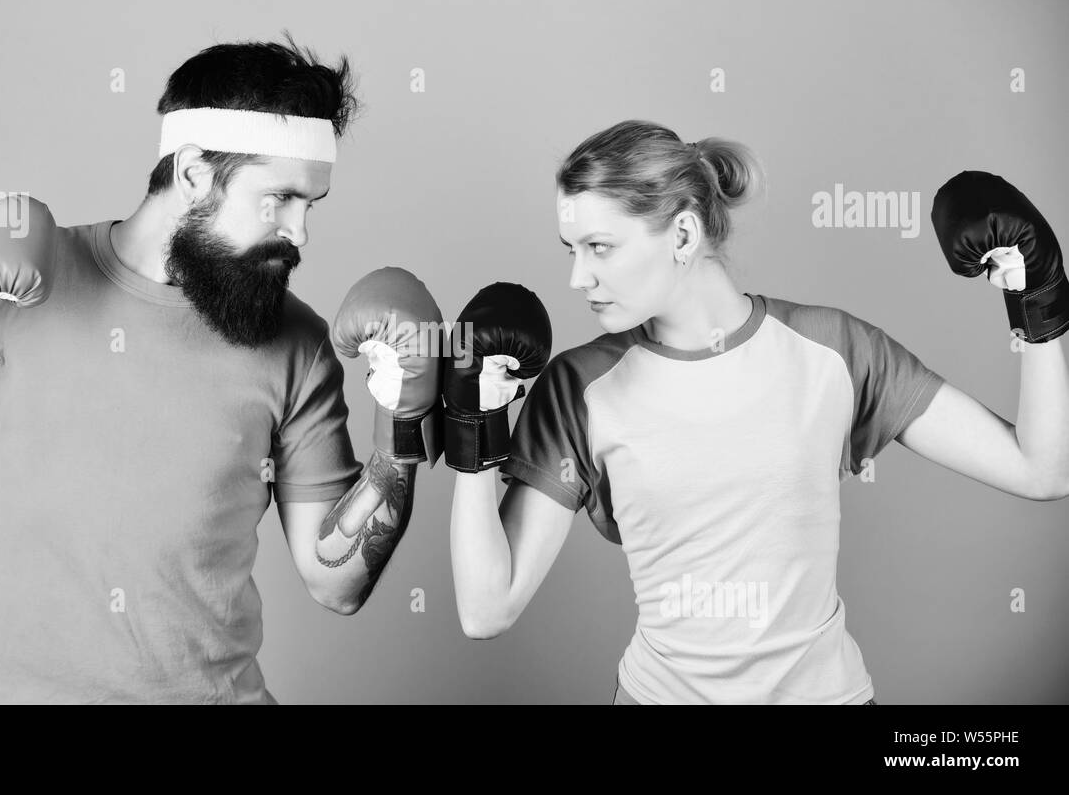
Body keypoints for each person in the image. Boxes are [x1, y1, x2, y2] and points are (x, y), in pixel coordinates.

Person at [0, 36, 447, 704]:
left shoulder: (296, 343)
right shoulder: (27, 286)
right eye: (282, 200)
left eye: (312, 205)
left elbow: (337, 583)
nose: (301, 233)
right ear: (193, 173)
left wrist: (403, 425)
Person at [445, 119, 1069, 704]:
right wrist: (474, 425)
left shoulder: (834, 349)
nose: (578, 277)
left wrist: (1038, 295)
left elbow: (1043, 471)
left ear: (683, 235)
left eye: (599, 247)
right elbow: (486, 610)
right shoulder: (579, 386)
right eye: (570, 249)